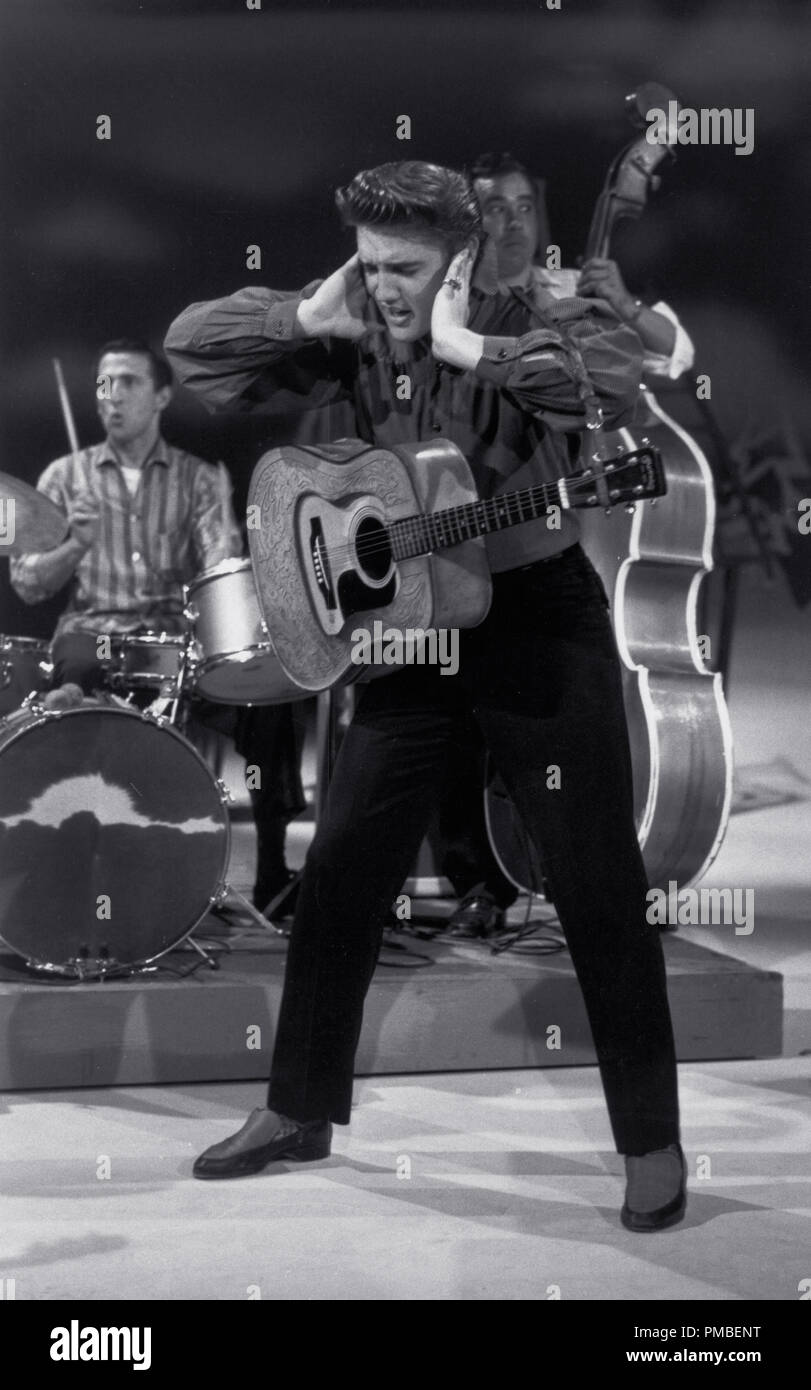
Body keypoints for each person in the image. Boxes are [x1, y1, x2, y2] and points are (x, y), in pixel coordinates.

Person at [165, 160, 686, 1231]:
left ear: (457, 256)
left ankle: (652, 1142)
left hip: (536, 621)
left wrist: (466, 348)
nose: (384, 287)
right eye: (368, 264)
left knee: (594, 884)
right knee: (343, 868)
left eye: (404, 268)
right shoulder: (345, 319)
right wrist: (305, 309)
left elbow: (617, 390)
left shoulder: (523, 310)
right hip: (411, 635)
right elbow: (190, 354)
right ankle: (298, 1108)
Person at [438, 152, 699, 938]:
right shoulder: (446, 303)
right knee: (454, 731)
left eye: (522, 204)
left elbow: (675, 357)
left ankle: (584, 886)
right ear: (470, 219)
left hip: (542, 545)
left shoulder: (564, 295)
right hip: (453, 553)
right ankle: (477, 879)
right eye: (492, 206)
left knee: (568, 738)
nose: (511, 220)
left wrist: (625, 303)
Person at [9, 339, 304, 912]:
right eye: (101, 384)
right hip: (94, 636)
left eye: (126, 382)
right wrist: (76, 545)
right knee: (75, 665)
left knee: (270, 701)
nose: (110, 396)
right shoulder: (65, 477)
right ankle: (78, 867)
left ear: (162, 395)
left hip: (176, 641)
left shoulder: (197, 478)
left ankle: (273, 870)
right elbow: (28, 584)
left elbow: (217, 569)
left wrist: (223, 542)